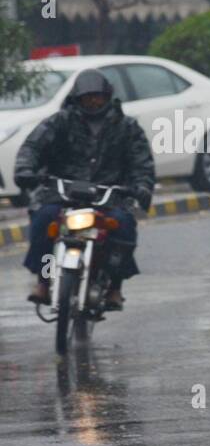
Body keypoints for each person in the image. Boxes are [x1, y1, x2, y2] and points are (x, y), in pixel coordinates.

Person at [14, 69, 155, 308]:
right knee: (43, 221)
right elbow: (32, 148)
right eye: (87, 96)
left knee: (123, 225)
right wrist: (25, 169)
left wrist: (141, 186)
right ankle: (43, 280)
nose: (93, 101)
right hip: (62, 193)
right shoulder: (59, 121)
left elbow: (141, 163)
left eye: (97, 96)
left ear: (107, 96)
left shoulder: (127, 127)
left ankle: (114, 287)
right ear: (77, 98)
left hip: (109, 196)